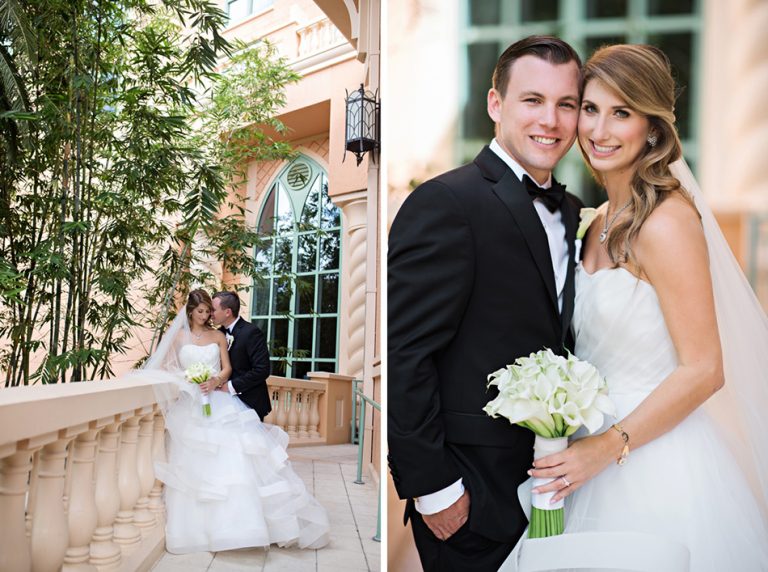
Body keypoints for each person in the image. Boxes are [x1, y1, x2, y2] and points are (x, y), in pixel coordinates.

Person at [523, 44, 768, 569]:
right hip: (581, 458)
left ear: (652, 129)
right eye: (590, 109)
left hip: (653, 463)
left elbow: (704, 369)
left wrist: (605, 448)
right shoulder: (596, 219)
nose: (600, 130)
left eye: (622, 113)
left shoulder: (667, 223)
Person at [388, 36, 584, 570]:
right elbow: (407, 354)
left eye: (566, 104)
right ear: (496, 105)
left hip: (562, 485)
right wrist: (434, 488)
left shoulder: (573, 211)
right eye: (532, 100)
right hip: (471, 495)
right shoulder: (446, 201)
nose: (551, 119)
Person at [143, 289, 330, 554]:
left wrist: (217, 381)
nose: (208, 315)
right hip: (191, 402)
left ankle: (242, 526)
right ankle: (197, 528)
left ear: (223, 312)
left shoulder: (223, 334)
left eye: (211, 310)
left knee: (235, 461)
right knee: (193, 463)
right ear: (191, 311)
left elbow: (232, 368)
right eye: (203, 311)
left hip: (222, 400)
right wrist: (186, 381)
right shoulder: (179, 336)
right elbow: (165, 366)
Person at [203, 290, 272, 421]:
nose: (210, 314)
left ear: (227, 312)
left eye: (213, 310)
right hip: (223, 404)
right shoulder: (217, 334)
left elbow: (262, 370)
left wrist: (229, 386)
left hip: (249, 402)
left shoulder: (251, 332)